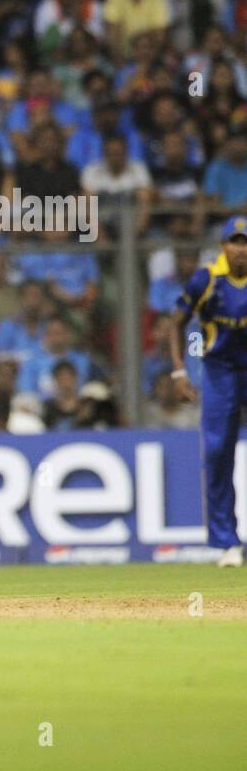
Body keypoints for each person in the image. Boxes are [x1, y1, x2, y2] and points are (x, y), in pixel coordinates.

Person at [169, 215, 247, 568]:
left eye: (246, 242)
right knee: (217, 452)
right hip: (220, 372)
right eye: (235, 241)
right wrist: (180, 370)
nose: (241, 249)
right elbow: (176, 324)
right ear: (223, 246)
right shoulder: (207, 278)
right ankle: (226, 542)